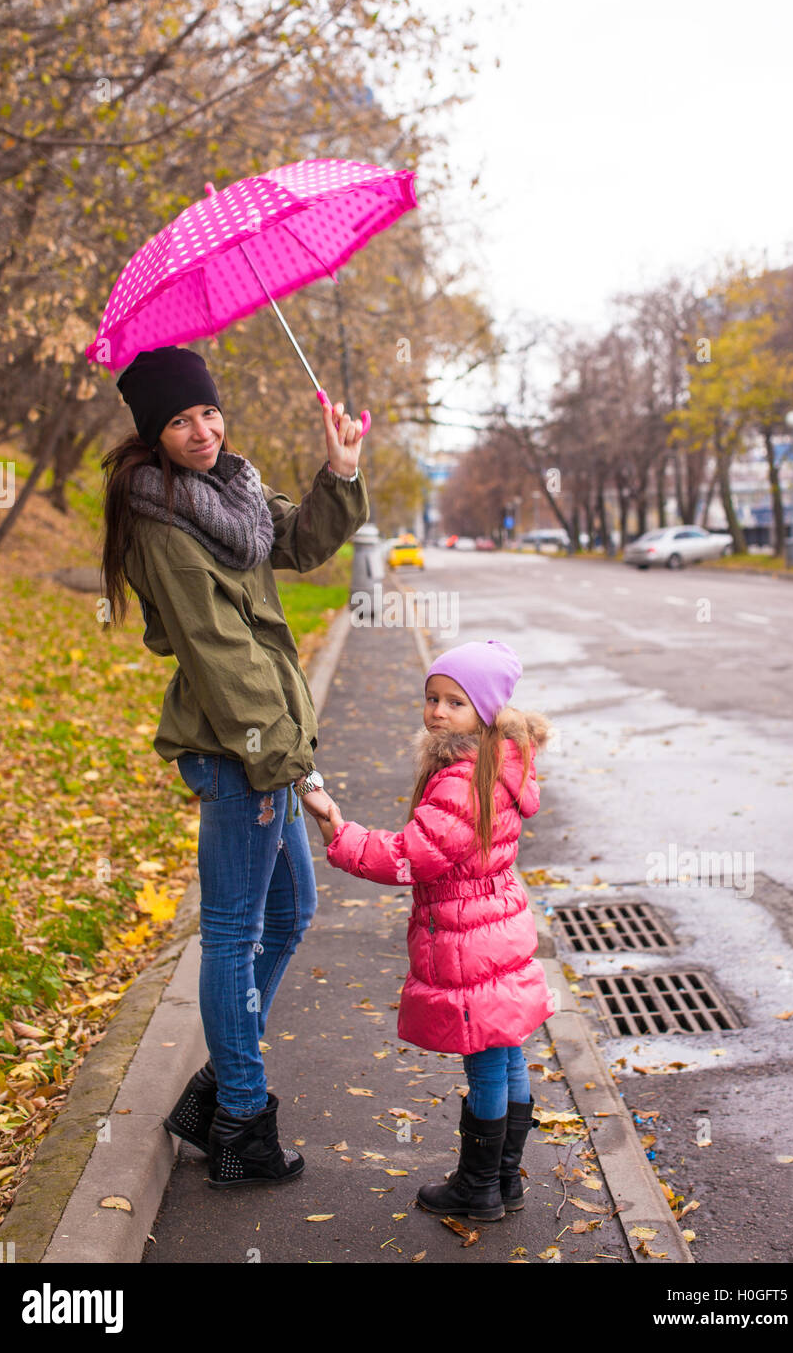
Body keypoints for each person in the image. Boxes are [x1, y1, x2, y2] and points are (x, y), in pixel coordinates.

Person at [99, 345, 368, 1187]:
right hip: (238, 751)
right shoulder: (160, 522)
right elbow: (224, 661)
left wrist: (339, 469)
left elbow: (300, 543)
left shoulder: (232, 491)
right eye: (180, 421)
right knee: (233, 930)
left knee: (288, 912)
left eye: (208, 412)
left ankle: (222, 1082)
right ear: (154, 434)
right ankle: (242, 1122)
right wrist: (298, 772)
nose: (202, 429)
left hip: (261, 745)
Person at [316, 639, 554, 1220]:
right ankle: (504, 1181)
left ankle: (478, 1190)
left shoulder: (461, 781)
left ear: (487, 713)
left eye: (455, 702)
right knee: (507, 1051)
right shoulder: (500, 764)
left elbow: (410, 856)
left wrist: (337, 832)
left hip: (468, 936)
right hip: (497, 925)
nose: (438, 711)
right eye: (432, 698)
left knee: (486, 1061)